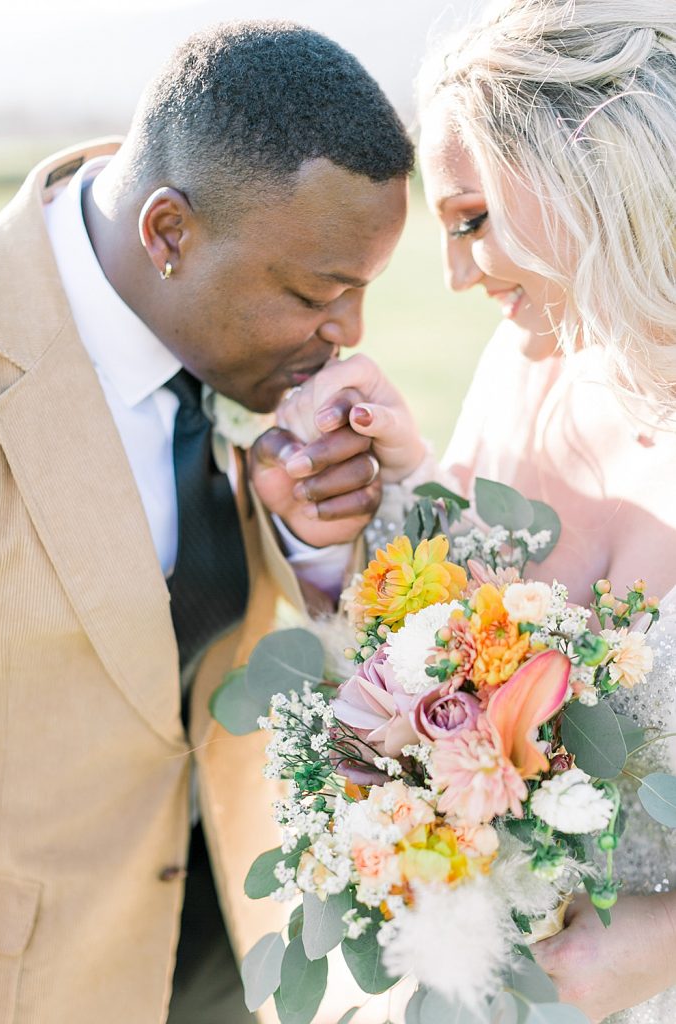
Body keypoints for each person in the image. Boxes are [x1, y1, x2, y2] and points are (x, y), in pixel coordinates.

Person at [0, 20, 413, 1024]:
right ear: (168, 233)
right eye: (320, 291)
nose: (348, 333)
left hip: (229, 967)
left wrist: (312, 539)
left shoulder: (249, 354)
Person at [275, 1, 676, 1020]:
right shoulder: (529, 356)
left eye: (470, 220)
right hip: (477, 969)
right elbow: (449, 613)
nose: (455, 276)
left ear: (585, 177)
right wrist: (397, 479)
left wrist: (656, 948)